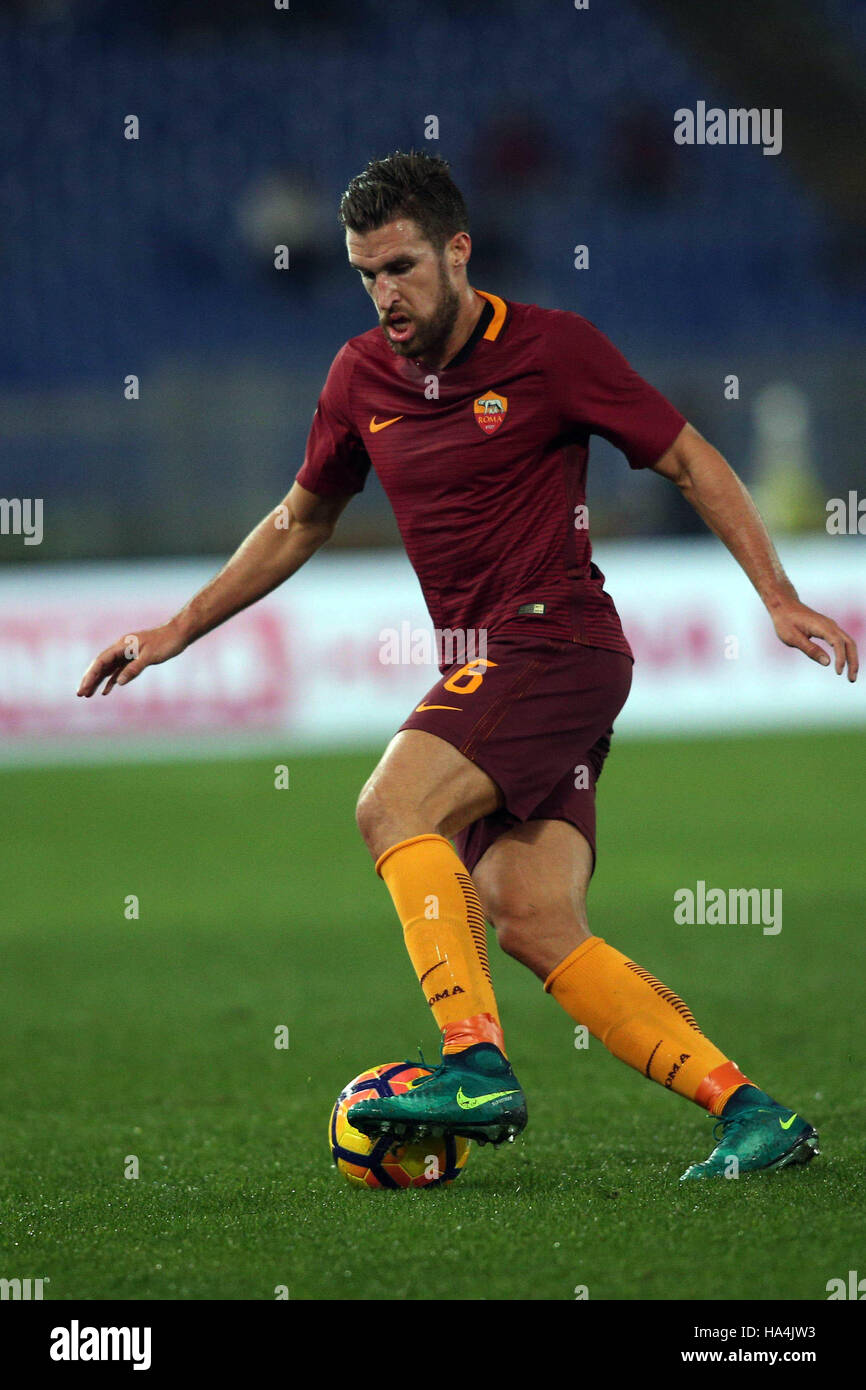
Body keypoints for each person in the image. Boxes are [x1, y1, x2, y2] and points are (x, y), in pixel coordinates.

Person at [77, 151, 858, 1180]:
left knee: (389, 807)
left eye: (400, 267)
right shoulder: (358, 377)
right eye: (364, 274)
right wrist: (176, 627)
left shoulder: (551, 350)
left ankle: (473, 1061)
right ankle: (750, 1114)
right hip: (496, 667)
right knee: (534, 919)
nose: (383, 294)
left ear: (457, 250)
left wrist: (774, 593)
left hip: (557, 639)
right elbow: (300, 516)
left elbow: (686, 457)